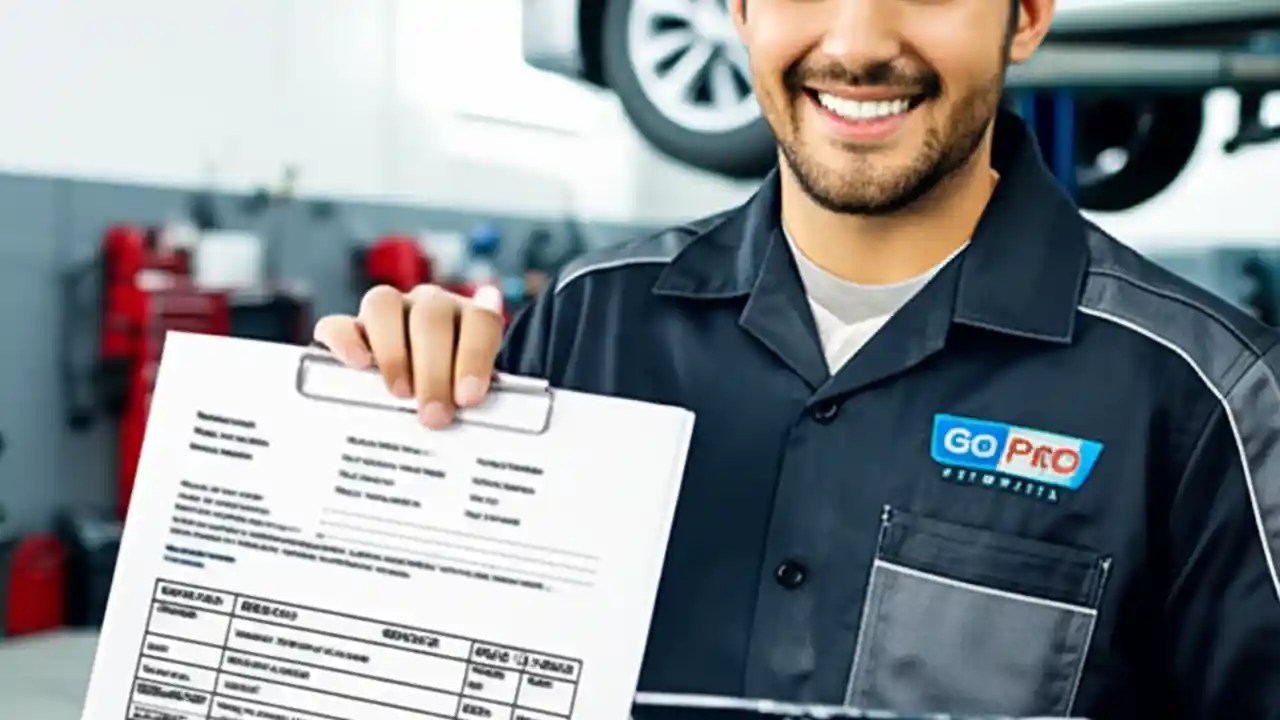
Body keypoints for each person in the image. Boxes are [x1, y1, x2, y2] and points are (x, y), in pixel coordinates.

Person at [313, 0, 1280, 716]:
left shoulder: (1206, 400)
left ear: (1025, 16)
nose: (856, 44)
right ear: (736, 9)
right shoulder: (587, 325)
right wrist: (395, 425)